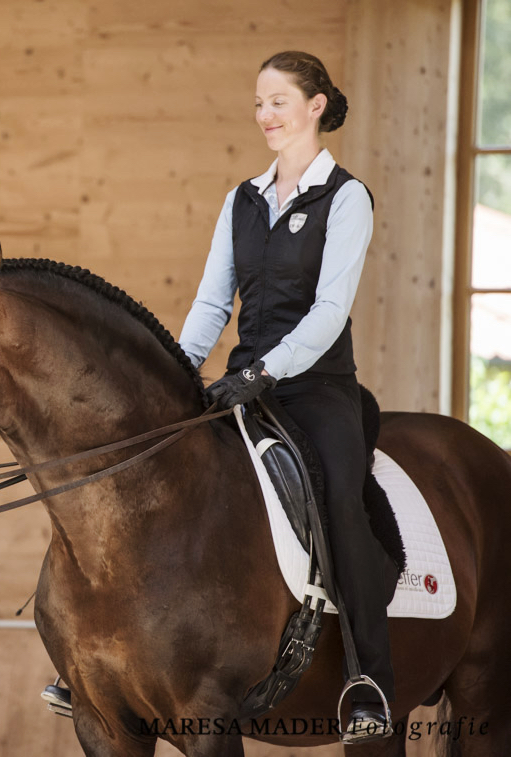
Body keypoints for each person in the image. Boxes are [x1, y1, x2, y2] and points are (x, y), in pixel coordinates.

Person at [177, 51, 397, 741]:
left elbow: (330, 309)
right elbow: (214, 300)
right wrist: (179, 371)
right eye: (259, 103)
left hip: (316, 387)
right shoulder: (241, 198)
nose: (266, 115)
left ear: (316, 107)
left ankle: (369, 678)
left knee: (337, 494)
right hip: (243, 380)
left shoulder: (346, 198)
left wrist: (267, 370)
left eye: (279, 102)